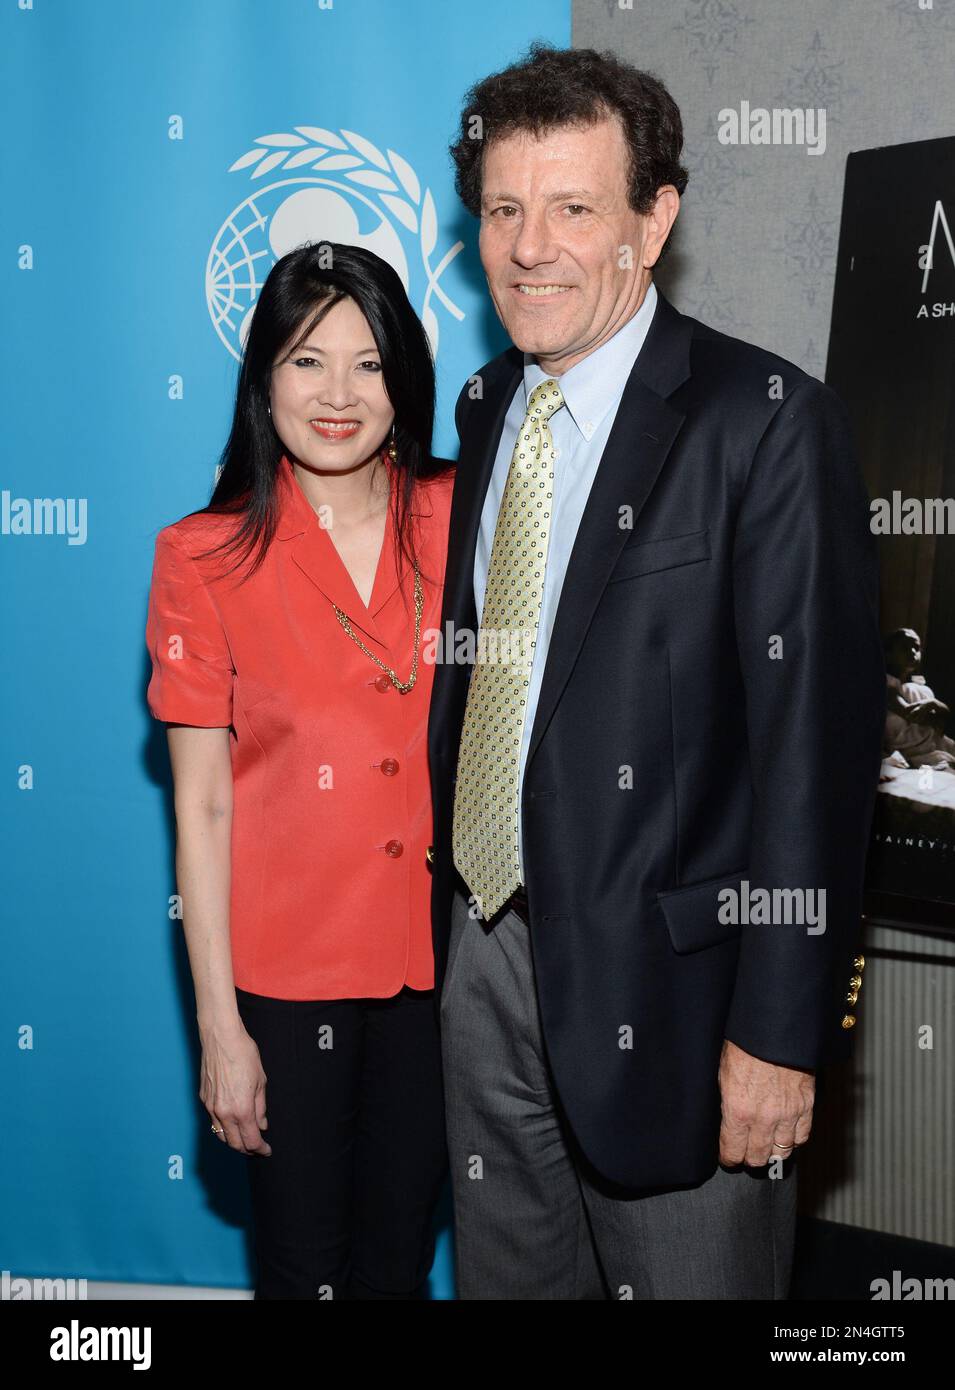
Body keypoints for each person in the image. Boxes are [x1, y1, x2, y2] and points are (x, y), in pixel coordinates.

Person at [427, 42, 885, 1299]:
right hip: (486, 962)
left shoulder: (765, 419)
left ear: (653, 216)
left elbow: (816, 754)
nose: (531, 247)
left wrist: (778, 1035)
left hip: (686, 1008)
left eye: (574, 207)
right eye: (504, 210)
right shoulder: (482, 416)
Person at [145, 242, 454, 1299]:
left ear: (403, 381)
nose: (337, 394)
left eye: (368, 364)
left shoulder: (464, 518)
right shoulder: (205, 554)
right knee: (303, 1270)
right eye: (306, 361)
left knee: (396, 1265)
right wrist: (221, 1027)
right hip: (283, 983)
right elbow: (201, 805)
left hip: (443, 973)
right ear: (262, 379)